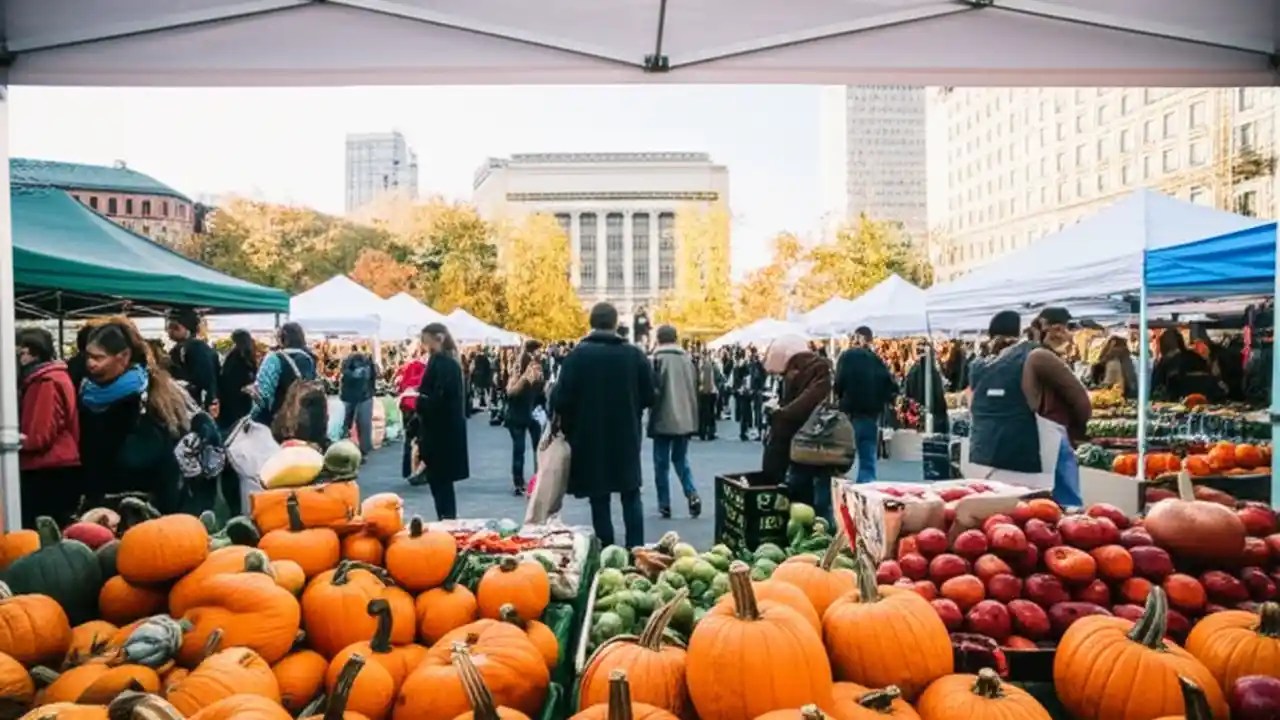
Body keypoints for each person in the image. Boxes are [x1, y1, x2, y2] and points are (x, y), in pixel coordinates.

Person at [551, 303, 654, 547]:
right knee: (630, 494)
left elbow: (560, 400)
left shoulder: (577, 357)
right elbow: (650, 396)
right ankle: (636, 548)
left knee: (599, 497)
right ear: (615, 323)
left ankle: (607, 548)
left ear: (591, 323)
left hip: (589, 436)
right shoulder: (634, 355)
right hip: (626, 435)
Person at [968, 309, 1091, 507]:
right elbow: (1081, 400)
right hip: (1041, 442)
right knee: (1066, 508)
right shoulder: (1038, 356)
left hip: (990, 449)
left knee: (1013, 511)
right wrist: (1077, 429)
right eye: (1061, 329)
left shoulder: (980, 363)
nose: (1065, 335)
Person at [77, 318, 190, 512]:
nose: (91, 364)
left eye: (99, 358)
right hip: (99, 500)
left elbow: (163, 461)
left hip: (145, 502)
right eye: (88, 356)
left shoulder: (149, 395)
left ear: (124, 356)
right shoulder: (86, 392)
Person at [761, 334, 836, 524]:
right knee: (816, 495)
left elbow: (802, 406)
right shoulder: (817, 370)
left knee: (807, 494)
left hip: (807, 443)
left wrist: (779, 413)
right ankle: (819, 531)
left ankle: (819, 532)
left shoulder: (811, 372)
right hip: (819, 442)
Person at [16, 327, 81, 527]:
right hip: (59, 465)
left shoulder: (44, 382)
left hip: (47, 469)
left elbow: (38, 436)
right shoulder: (56, 376)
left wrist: (15, 442)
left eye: (19, 353)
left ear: (32, 352)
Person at [415, 323, 469, 520]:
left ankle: (447, 522)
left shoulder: (443, 363)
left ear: (436, 338)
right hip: (444, 431)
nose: (422, 343)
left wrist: (419, 401)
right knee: (441, 484)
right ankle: (447, 520)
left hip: (440, 432)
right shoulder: (447, 361)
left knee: (440, 483)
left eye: (425, 339)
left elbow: (439, 398)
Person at [649, 325, 701, 519]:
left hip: (663, 417)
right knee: (681, 460)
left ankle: (665, 503)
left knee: (661, 464)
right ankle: (691, 492)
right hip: (686, 417)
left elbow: (653, 390)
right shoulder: (687, 360)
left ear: (659, 339)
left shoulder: (657, 360)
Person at [834, 326, 898, 482]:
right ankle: (865, 486)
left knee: (837, 456)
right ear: (869, 339)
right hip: (869, 413)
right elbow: (891, 387)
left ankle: (836, 486)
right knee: (867, 458)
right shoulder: (876, 360)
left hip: (848, 413)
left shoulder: (846, 357)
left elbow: (838, 384)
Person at [251, 322, 320, 435]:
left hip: (277, 422)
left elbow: (262, 394)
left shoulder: (274, 358)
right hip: (302, 420)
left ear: (282, 338)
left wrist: (252, 417)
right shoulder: (309, 359)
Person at [504, 340, 546, 496]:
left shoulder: (537, 368)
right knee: (519, 449)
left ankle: (537, 479)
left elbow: (539, 394)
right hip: (516, 416)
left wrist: (541, 382)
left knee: (539, 448)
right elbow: (511, 393)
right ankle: (518, 482)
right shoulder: (518, 371)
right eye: (537, 351)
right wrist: (526, 379)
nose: (539, 354)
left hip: (531, 415)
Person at [166, 308, 220, 412]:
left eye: (175, 327)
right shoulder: (187, 347)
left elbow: (204, 381)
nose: (170, 331)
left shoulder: (193, 347)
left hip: (193, 404)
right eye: (168, 327)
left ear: (188, 330)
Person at [1151, 328, 1225, 401]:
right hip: (1208, 401)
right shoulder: (1196, 357)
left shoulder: (1164, 363)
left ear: (1163, 346)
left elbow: (1156, 391)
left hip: (1179, 404)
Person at [396, 344, 428, 480]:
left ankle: (407, 469)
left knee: (409, 438)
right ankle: (418, 470)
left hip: (406, 403)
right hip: (418, 405)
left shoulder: (408, 366)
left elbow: (401, 384)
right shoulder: (426, 369)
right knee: (421, 439)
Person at [339, 347, 378, 456]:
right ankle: (364, 448)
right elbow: (372, 378)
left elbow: (344, 378)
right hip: (364, 396)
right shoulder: (368, 364)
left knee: (346, 424)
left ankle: (343, 448)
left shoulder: (347, 364)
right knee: (364, 425)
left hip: (349, 397)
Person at [217, 329, 258, 431]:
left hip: (230, 400)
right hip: (246, 400)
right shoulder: (250, 357)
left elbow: (225, 378)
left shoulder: (232, 357)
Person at [904, 344, 949, 435]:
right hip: (933, 417)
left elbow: (907, 394)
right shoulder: (934, 373)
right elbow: (939, 397)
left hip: (916, 416)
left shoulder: (912, 371)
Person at [696, 352, 719, 441]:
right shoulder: (709, 365)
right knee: (710, 413)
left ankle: (703, 431)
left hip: (704, 392)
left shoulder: (703, 366)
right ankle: (710, 432)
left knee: (704, 413)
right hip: (710, 392)